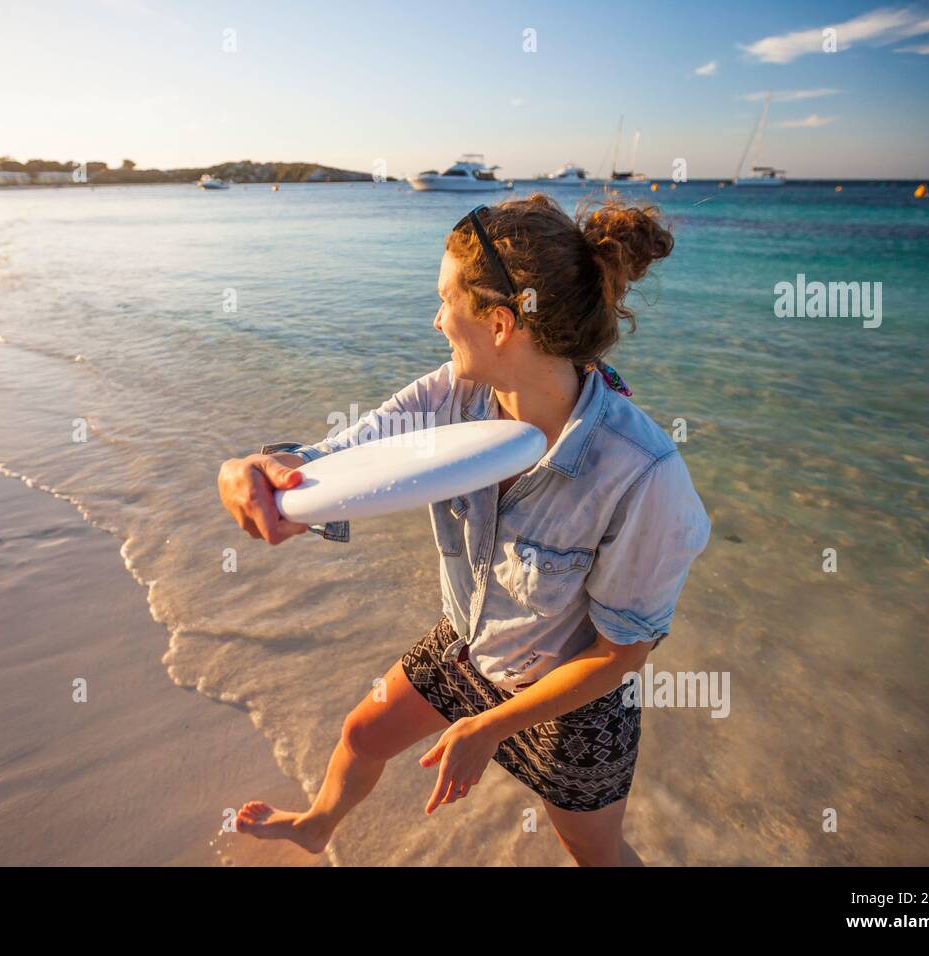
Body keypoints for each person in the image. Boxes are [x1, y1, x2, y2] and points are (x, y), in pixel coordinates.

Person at [216, 194, 712, 866]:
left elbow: (623, 653)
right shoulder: (448, 398)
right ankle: (316, 824)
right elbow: (332, 464)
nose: (436, 319)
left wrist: (493, 727)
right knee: (363, 733)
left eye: (447, 300)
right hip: (474, 646)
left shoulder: (641, 472)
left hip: (573, 704)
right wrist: (249, 470)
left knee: (594, 853)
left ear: (502, 323)